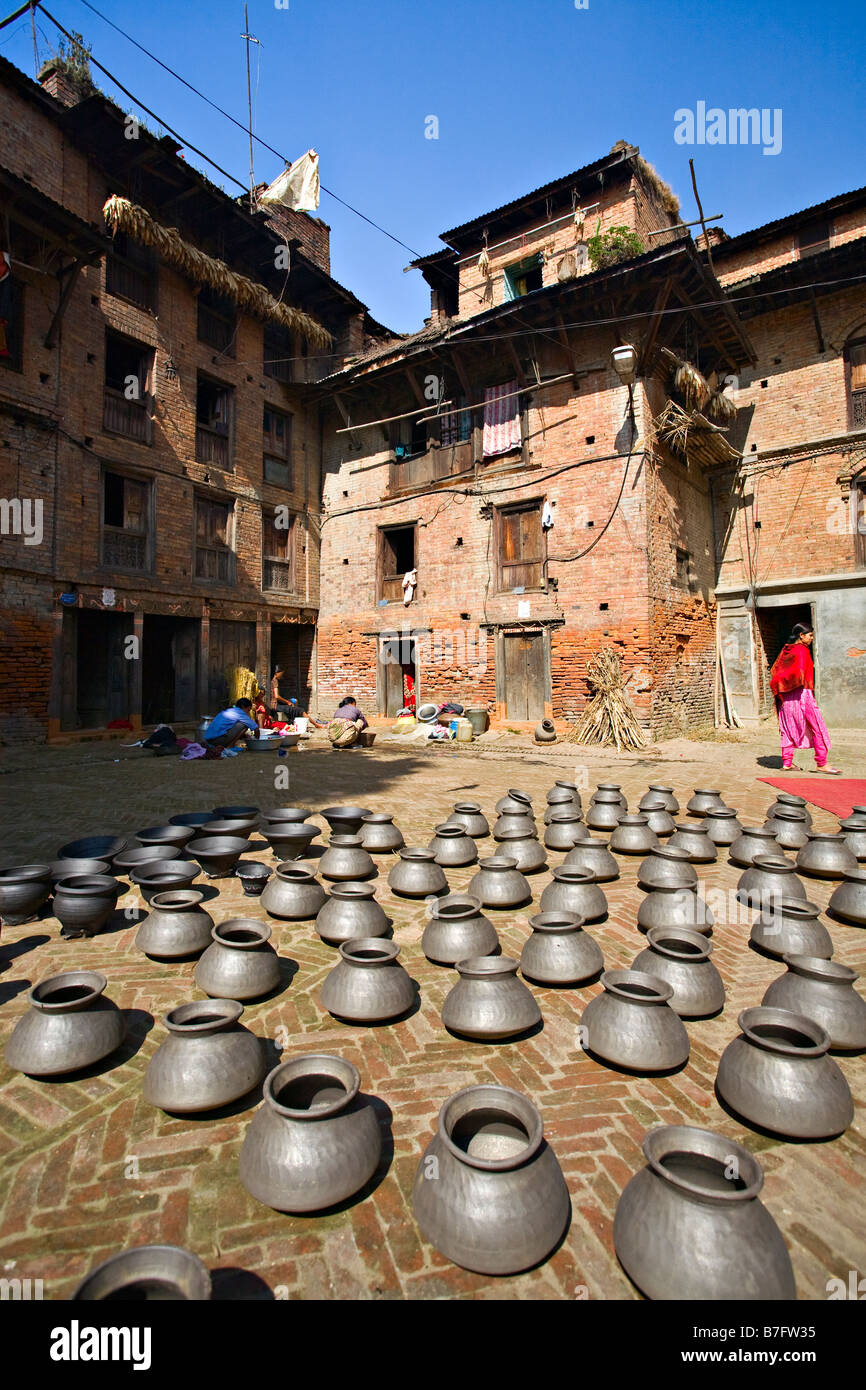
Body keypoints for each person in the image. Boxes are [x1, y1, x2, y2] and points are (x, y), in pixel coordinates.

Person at [769, 622, 840, 774]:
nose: (812, 638)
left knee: (787, 728)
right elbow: (800, 673)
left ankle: (787, 763)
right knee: (817, 727)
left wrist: (782, 686)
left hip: (786, 697)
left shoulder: (786, 650)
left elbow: (775, 671)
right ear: (801, 636)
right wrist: (798, 682)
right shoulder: (802, 651)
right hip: (802, 694)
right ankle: (822, 763)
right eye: (810, 635)